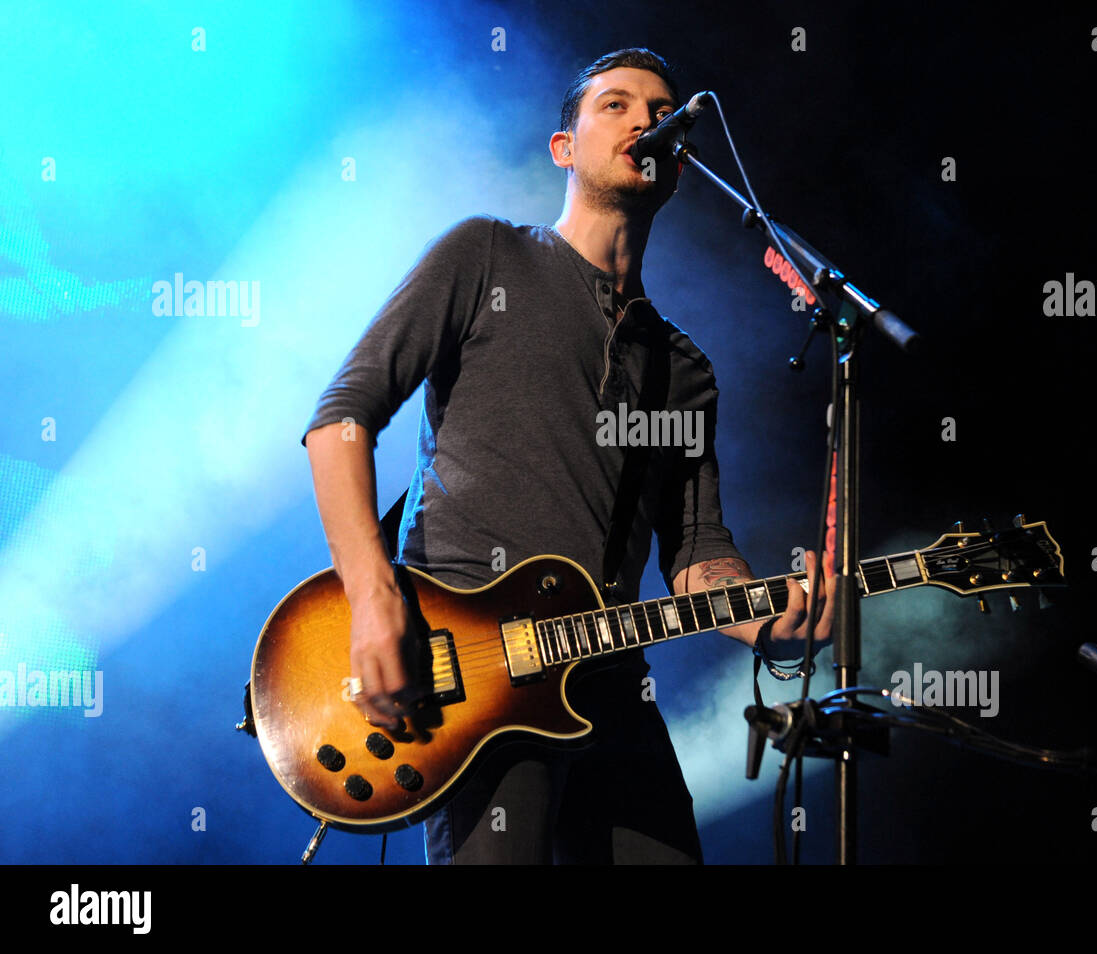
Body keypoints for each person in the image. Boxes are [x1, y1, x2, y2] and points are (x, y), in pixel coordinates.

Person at [302, 47, 834, 864]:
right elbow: (341, 418)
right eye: (616, 105)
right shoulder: (487, 256)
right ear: (565, 147)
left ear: (680, 162)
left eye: (660, 113)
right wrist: (373, 601)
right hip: (474, 677)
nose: (645, 122)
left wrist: (770, 617)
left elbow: (696, 557)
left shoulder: (684, 369)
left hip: (613, 691)